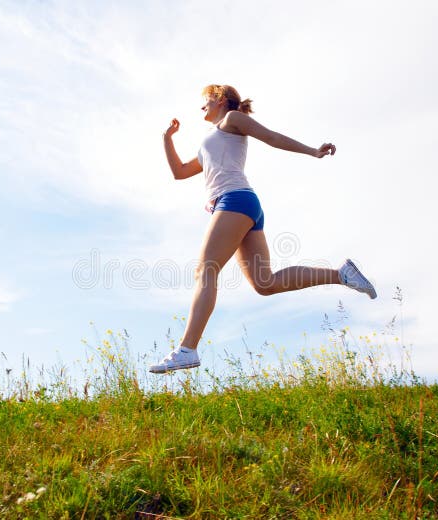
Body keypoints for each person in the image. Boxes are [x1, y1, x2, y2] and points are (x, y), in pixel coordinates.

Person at [149, 84, 376, 374]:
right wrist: (166, 138)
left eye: (205, 101)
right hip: (242, 206)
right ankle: (341, 274)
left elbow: (270, 137)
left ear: (219, 99)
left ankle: (187, 349)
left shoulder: (231, 120)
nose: (201, 107)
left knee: (205, 269)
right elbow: (179, 172)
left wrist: (312, 152)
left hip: (234, 201)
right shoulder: (213, 138)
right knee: (265, 283)